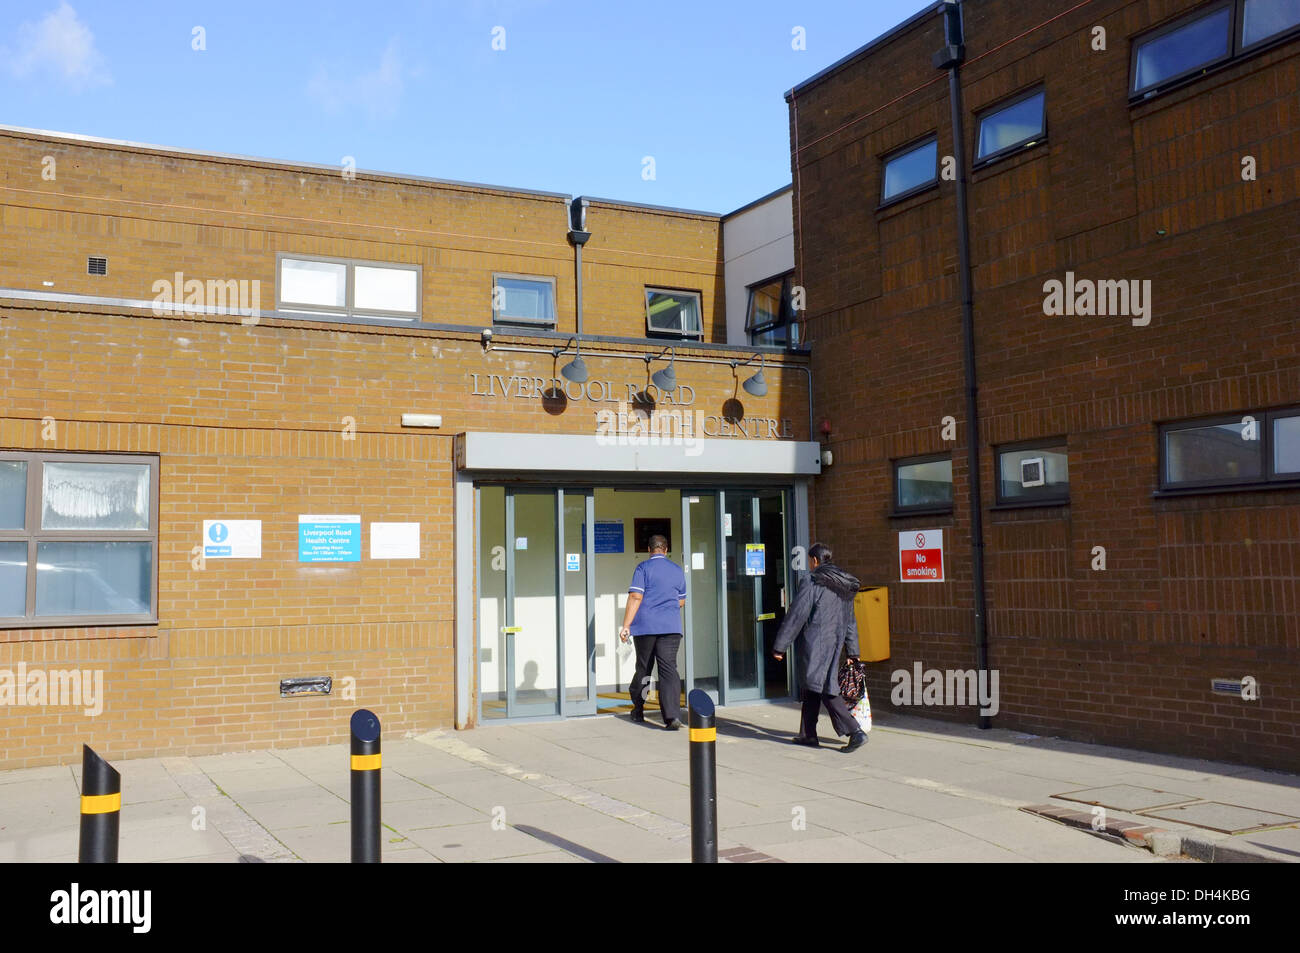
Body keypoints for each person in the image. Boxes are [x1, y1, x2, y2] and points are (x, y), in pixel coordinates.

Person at [772, 541, 867, 752]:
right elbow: (850, 620)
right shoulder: (844, 582)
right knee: (812, 686)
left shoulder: (813, 581)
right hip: (836, 641)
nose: (809, 565)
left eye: (809, 561)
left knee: (825, 687)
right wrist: (853, 651)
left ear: (814, 560)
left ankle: (855, 731)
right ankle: (807, 734)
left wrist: (780, 646)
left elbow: (798, 614)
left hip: (817, 642)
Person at [618, 534, 686, 730]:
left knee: (644, 668)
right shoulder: (677, 570)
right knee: (668, 670)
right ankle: (672, 717)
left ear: (649, 550)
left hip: (646, 626)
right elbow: (681, 600)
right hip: (671, 628)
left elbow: (635, 596)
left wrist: (626, 625)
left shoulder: (643, 568)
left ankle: (638, 709)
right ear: (666, 549)